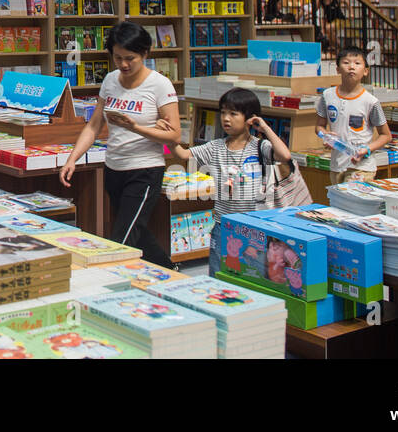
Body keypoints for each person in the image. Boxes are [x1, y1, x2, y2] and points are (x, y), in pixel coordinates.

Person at [61, 21, 178, 267]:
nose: (123, 64)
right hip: (114, 169)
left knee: (121, 239)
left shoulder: (159, 85)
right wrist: (72, 159)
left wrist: (134, 127)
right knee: (137, 231)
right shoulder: (111, 80)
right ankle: (170, 270)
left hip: (145, 171)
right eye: (117, 58)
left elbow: (174, 136)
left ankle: (109, 285)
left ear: (145, 54)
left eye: (130, 58)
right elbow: (94, 126)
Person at [171, 88, 292, 277]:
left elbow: (285, 155)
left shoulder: (260, 146)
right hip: (223, 224)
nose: (226, 118)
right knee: (219, 275)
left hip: (255, 226)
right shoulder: (215, 147)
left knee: (254, 276)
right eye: (223, 112)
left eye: (233, 113)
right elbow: (183, 154)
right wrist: (167, 138)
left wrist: (265, 128)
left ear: (250, 118)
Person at [317, 45, 392, 184]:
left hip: (362, 166)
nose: (352, 67)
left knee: (352, 202)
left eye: (357, 63)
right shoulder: (327, 95)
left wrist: (367, 149)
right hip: (336, 164)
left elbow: (386, 135)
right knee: (338, 202)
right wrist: (325, 135)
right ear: (338, 69)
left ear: (365, 71)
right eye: (346, 63)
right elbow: (319, 126)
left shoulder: (371, 101)